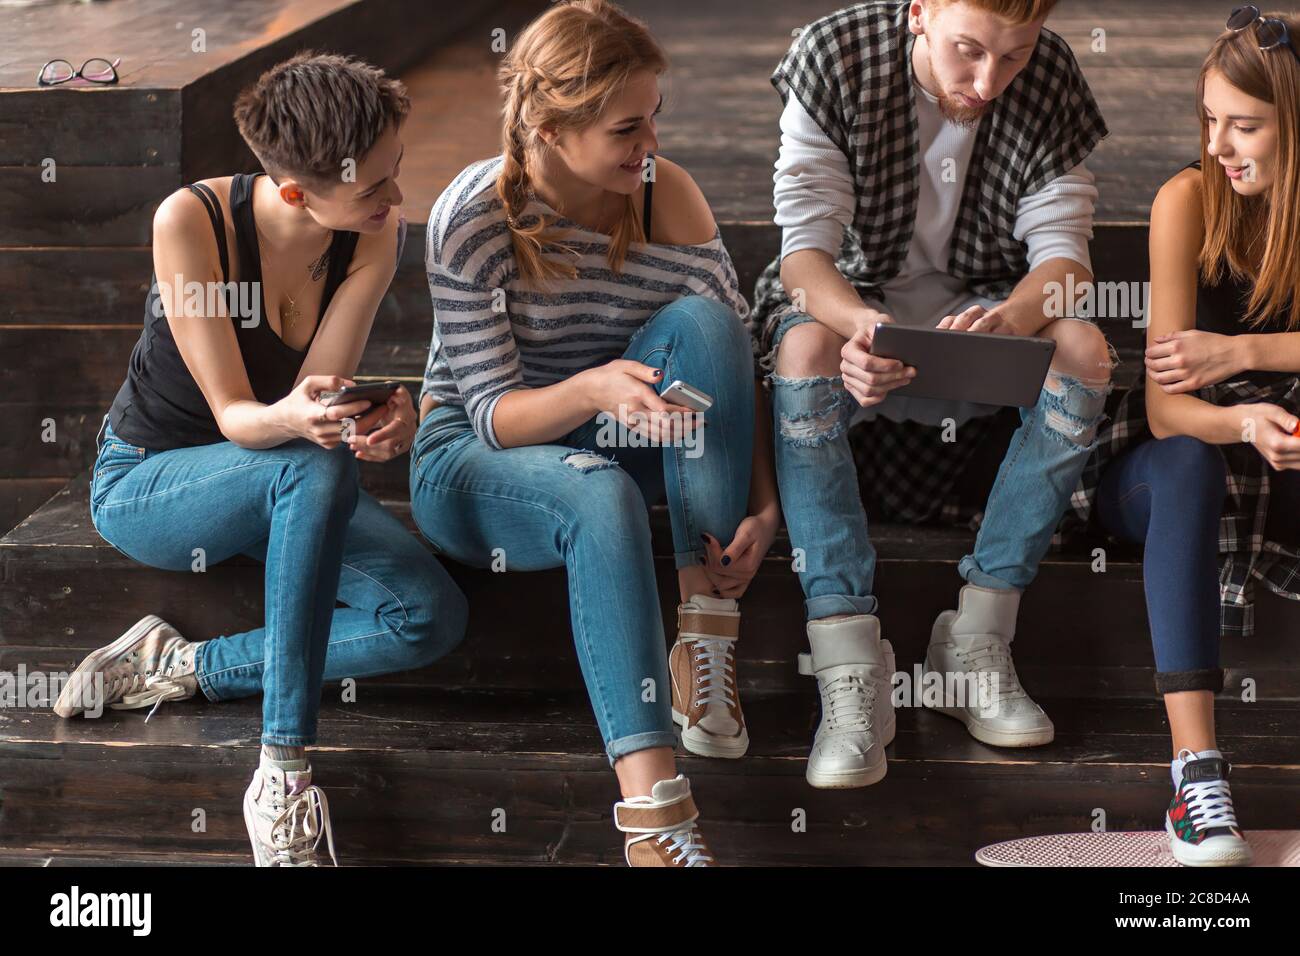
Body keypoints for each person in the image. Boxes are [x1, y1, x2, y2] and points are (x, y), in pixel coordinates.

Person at [54, 53, 468, 867]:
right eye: (373, 187)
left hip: (280, 478)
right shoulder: (191, 222)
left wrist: (381, 420)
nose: (395, 200)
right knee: (308, 466)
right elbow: (241, 418)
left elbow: (323, 392)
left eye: (396, 174)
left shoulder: (374, 239)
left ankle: (175, 666)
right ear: (292, 192)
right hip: (153, 479)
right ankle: (281, 771)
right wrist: (304, 422)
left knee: (428, 616)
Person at [409, 0, 779, 866]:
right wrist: (591, 388)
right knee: (598, 489)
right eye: (626, 126)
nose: (649, 143)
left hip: (617, 427)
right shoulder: (471, 218)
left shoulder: (665, 195)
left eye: (655, 117)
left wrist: (765, 505)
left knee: (711, 324)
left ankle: (704, 624)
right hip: (475, 458)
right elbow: (497, 416)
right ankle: (659, 822)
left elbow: (726, 370)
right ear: (546, 123)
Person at [751, 0, 1114, 788]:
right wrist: (859, 328)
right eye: (968, 50)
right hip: (850, 305)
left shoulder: (1048, 73)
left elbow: (1066, 261)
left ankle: (978, 635)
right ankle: (848, 658)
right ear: (919, 11)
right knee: (802, 343)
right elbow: (803, 256)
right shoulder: (833, 53)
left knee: (1083, 349)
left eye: (1012, 58)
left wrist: (1014, 317)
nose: (988, 82)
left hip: (984, 310)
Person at [1075, 6, 1300, 866]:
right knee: (1190, 466)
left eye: (1244, 126)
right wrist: (1242, 414)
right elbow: (1171, 412)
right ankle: (1195, 774)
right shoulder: (1188, 202)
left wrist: (1242, 352)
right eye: (1209, 120)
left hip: (1273, 447)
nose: (1219, 144)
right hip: (1166, 462)